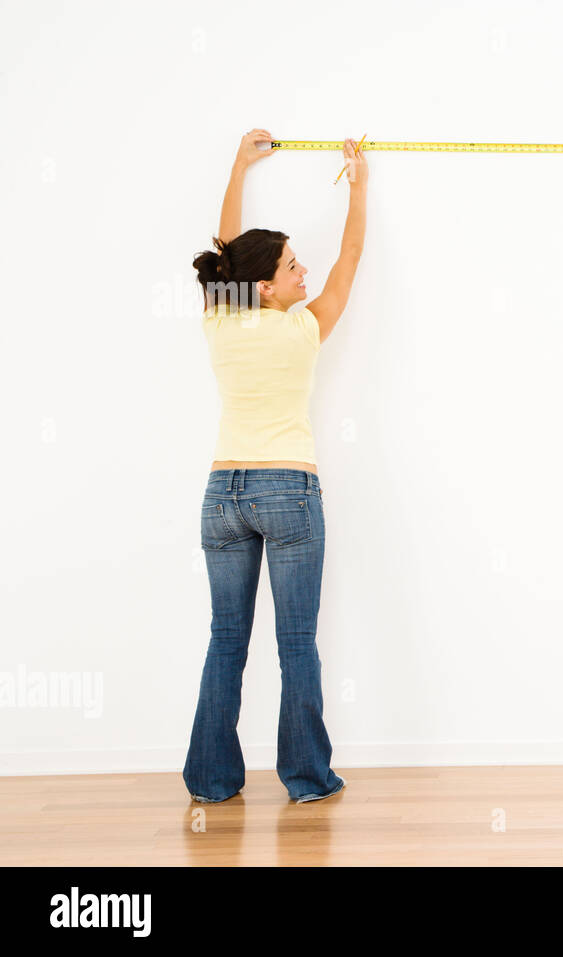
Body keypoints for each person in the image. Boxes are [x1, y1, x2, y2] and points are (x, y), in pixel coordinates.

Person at [183, 129, 368, 804]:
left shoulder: (223, 319)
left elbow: (229, 252)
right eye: (293, 267)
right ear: (264, 287)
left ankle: (210, 780)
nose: (306, 272)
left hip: (221, 495)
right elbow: (351, 259)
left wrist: (237, 165)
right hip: (288, 491)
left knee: (225, 639)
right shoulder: (302, 327)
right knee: (296, 643)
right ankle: (308, 779)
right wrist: (360, 186)